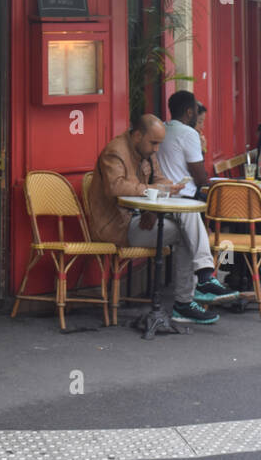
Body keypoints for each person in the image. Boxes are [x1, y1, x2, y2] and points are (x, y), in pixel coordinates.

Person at [86, 112, 237, 324]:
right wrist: (152, 190)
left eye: (159, 144)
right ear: (137, 135)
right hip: (118, 226)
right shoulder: (115, 151)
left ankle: (200, 279)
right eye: (154, 143)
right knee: (187, 228)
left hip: (139, 218)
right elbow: (115, 187)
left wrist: (170, 187)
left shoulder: (146, 150)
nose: (157, 149)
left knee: (188, 218)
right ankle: (192, 292)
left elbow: (158, 178)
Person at [157, 90, 210, 198]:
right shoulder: (189, 133)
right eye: (196, 111)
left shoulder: (160, 127)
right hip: (184, 195)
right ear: (189, 112)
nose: (196, 116)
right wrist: (201, 150)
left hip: (161, 192)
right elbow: (200, 180)